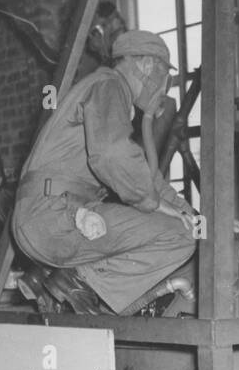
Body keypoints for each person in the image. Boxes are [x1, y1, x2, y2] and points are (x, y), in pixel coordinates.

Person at [13, 29, 200, 316]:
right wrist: (154, 204)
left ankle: (65, 280)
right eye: (165, 75)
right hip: (55, 216)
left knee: (178, 227)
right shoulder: (109, 86)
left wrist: (198, 220)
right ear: (148, 65)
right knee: (177, 237)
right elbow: (112, 155)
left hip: (53, 215)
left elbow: (146, 177)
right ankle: (79, 282)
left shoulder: (104, 91)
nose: (165, 87)